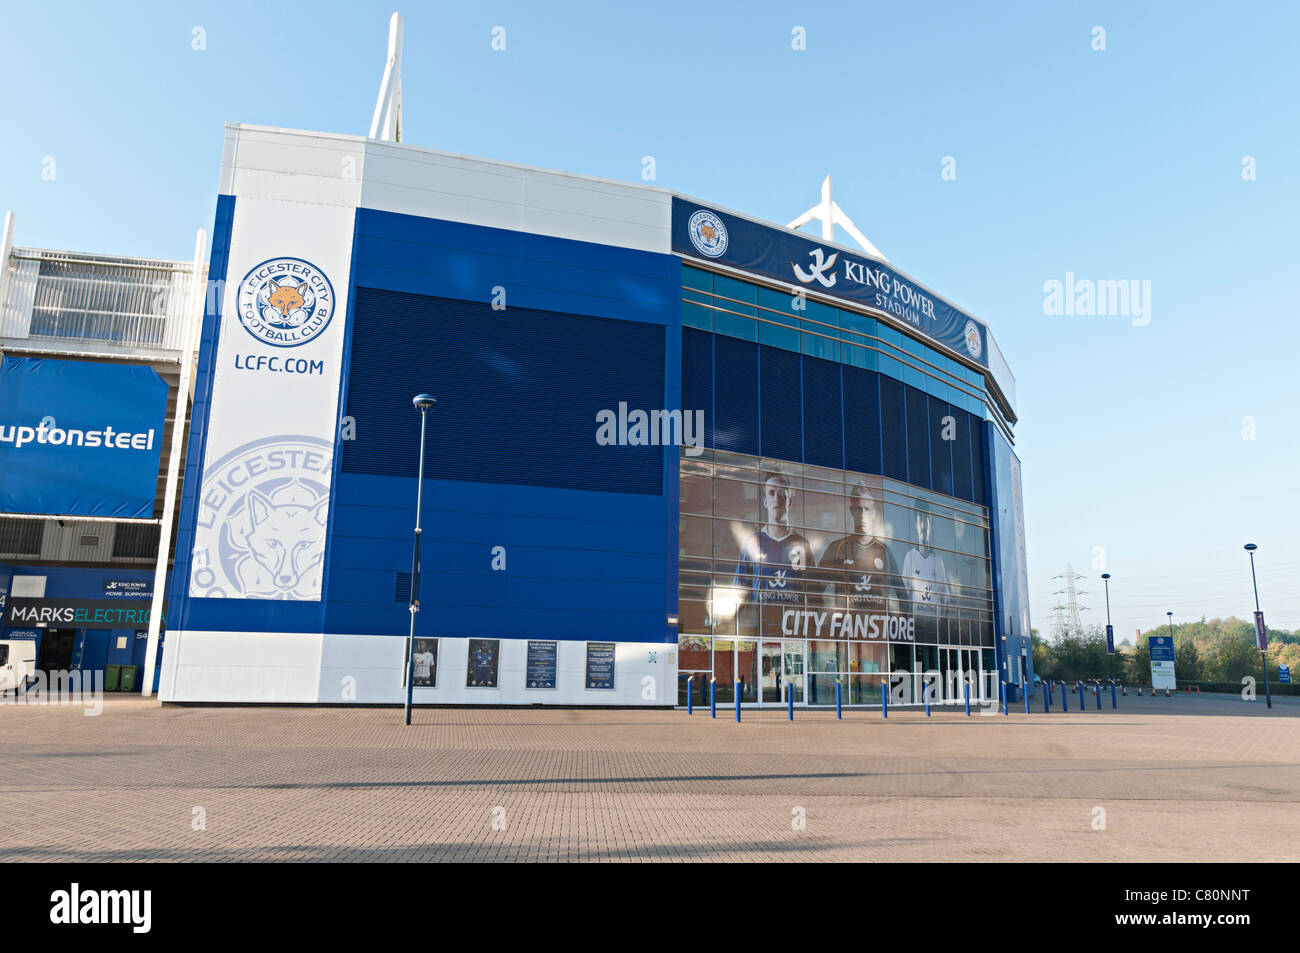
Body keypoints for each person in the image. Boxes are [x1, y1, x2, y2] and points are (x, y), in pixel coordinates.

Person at [730, 472, 811, 609]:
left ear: (788, 501)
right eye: (772, 493)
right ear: (765, 502)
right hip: (762, 626)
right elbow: (740, 591)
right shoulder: (752, 542)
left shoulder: (802, 544)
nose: (776, 499)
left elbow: (812, 592)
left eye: (781, 494)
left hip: (792, 627)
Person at [817, 480, 896, 614]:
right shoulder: (837, 548)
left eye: (867, 509)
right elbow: (813, 587)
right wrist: (818, 621)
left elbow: (903, 594)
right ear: (852, 511)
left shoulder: (884, 551)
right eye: (859, 509)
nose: (863, 515)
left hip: (877, 631)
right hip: (845, 630)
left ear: (873, 513)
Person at [902, 503, 950, 641]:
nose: (924, 525)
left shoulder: (938, 561)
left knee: (931, 658)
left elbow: (946, 600)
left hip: (934, 631)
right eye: (920, 520)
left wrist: (943, 629)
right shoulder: (910, 557)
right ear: (916, 525)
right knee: (918, 661)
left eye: (926, 520)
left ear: (930, 524)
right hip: (916, 630)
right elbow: (904, 597)